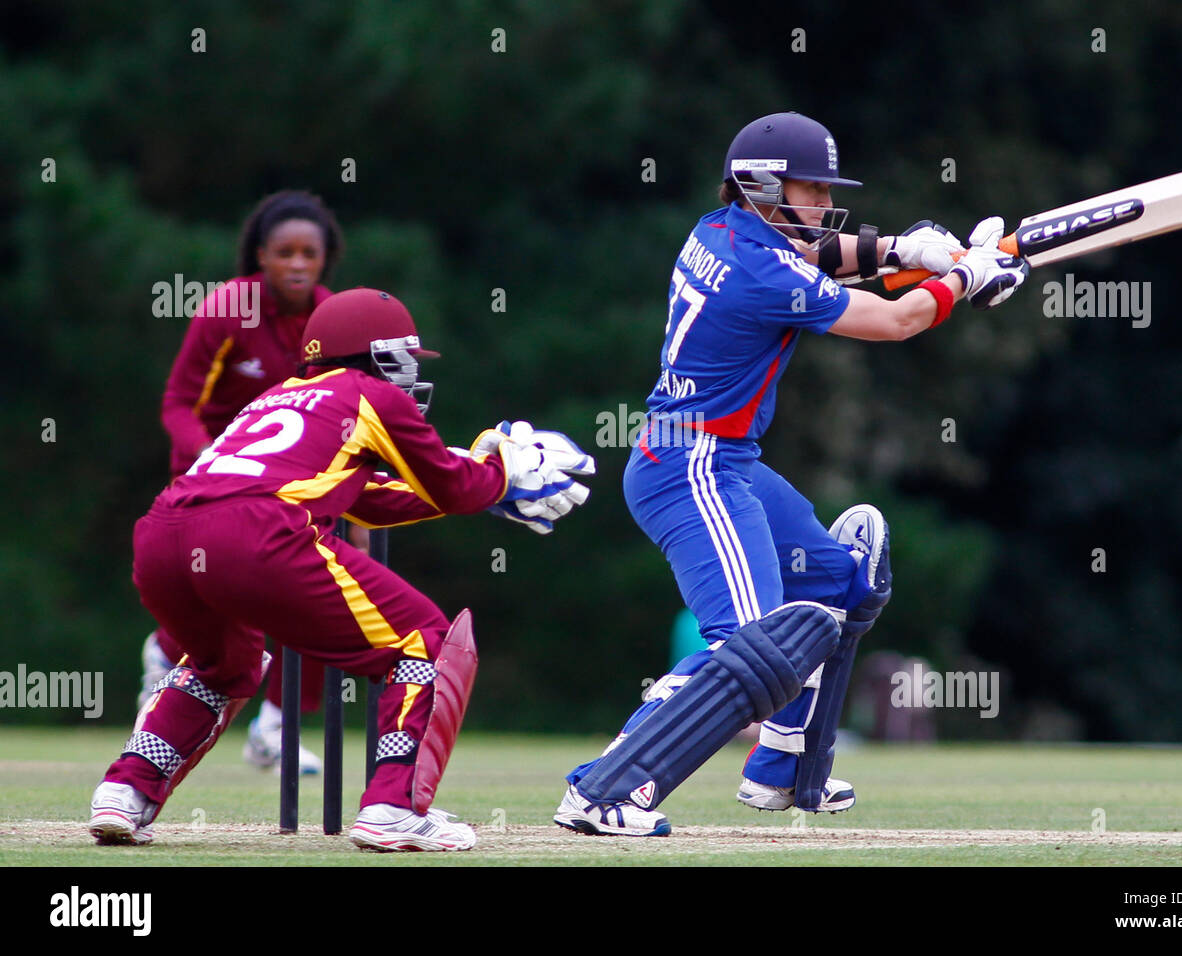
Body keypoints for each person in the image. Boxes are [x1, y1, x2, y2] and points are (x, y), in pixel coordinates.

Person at [553, 111, 1029, 836]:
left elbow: (822, 255)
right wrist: (964, 277)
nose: (822, 204)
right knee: (749, 646)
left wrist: (911, 249)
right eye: (811, 190)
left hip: (723, 458)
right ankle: (605, 788)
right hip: (692, 465)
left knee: (840, 581)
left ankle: (780, 768)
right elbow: (893, 321)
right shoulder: (759, 269)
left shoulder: (722, 232)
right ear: (764, 187)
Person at [90, 288, 594, 851]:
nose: (409, 373)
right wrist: (500, 473)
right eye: (404, 356)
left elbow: (364, 497)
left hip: (163, 535)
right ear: (375, 354)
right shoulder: (372, 395)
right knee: (425, 640)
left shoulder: (275, 397)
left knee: (223, 665)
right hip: (257, 533)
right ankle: (393, 808)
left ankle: (126, 791)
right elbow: (450, 483)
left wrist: (489, 489)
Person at [145, 190, 348, 774]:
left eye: (309, 253)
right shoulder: (230, 307)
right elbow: (180, 402)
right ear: (261, 255)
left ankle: (275, 728)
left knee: (319, 588)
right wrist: (207, 458)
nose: (297, 264)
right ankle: (163, 654)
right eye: (284, 252)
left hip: (293, 482)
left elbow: (341, 409)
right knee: (218, 602)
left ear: (324, 258)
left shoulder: (330, 315)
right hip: (211, 475)